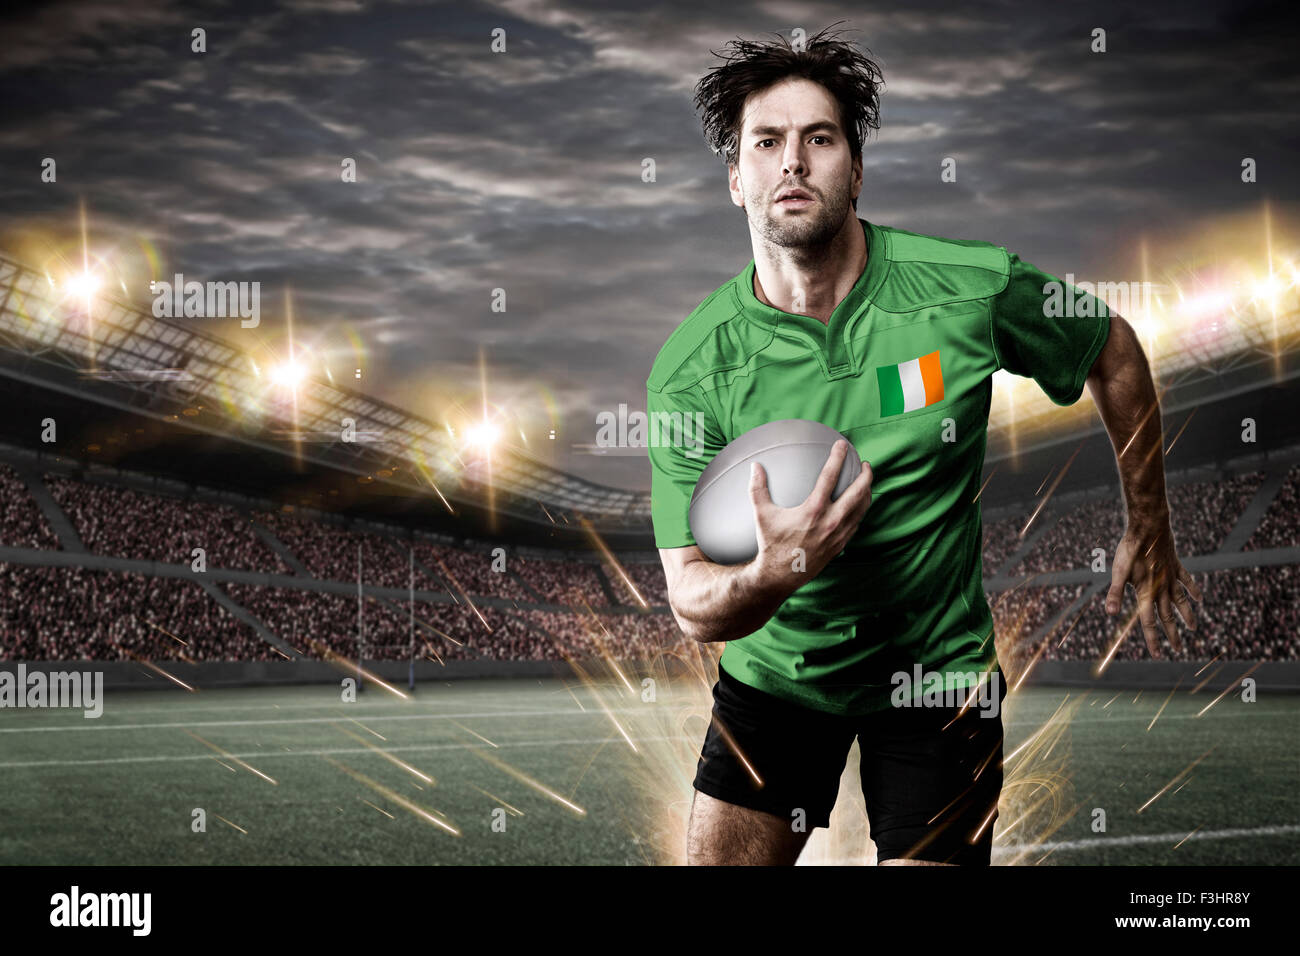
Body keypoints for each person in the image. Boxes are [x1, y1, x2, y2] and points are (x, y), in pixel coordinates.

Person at [646, 25, 1201, 866]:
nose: (792, 162)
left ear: (856, 170)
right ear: (736, 178)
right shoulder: (691, 370)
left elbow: (1113, 351)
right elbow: (690, 601)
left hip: (938, 679)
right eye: (767, 142)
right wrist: (774, 570)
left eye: (819, 139)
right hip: (777, 682)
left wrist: (1148, 519)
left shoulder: (970, 287)